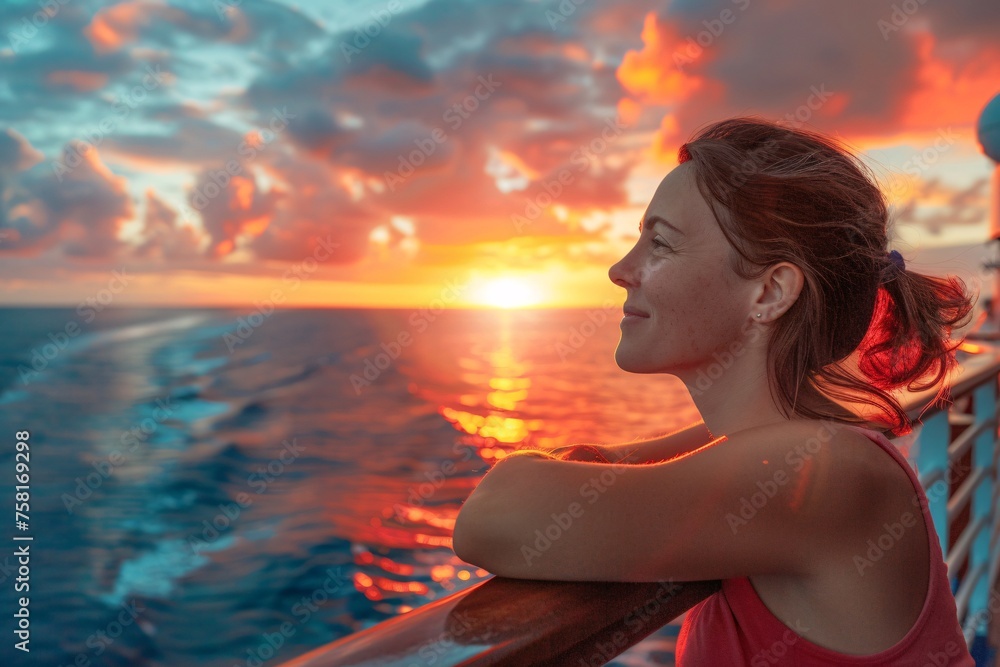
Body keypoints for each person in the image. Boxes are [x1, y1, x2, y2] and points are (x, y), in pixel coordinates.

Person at [451, 117, 977, 665]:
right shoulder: (801, 449)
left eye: (660, 244)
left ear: (770, 292)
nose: (619, 269)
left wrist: (584, 467)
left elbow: (493, 516)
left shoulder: (825, 471)